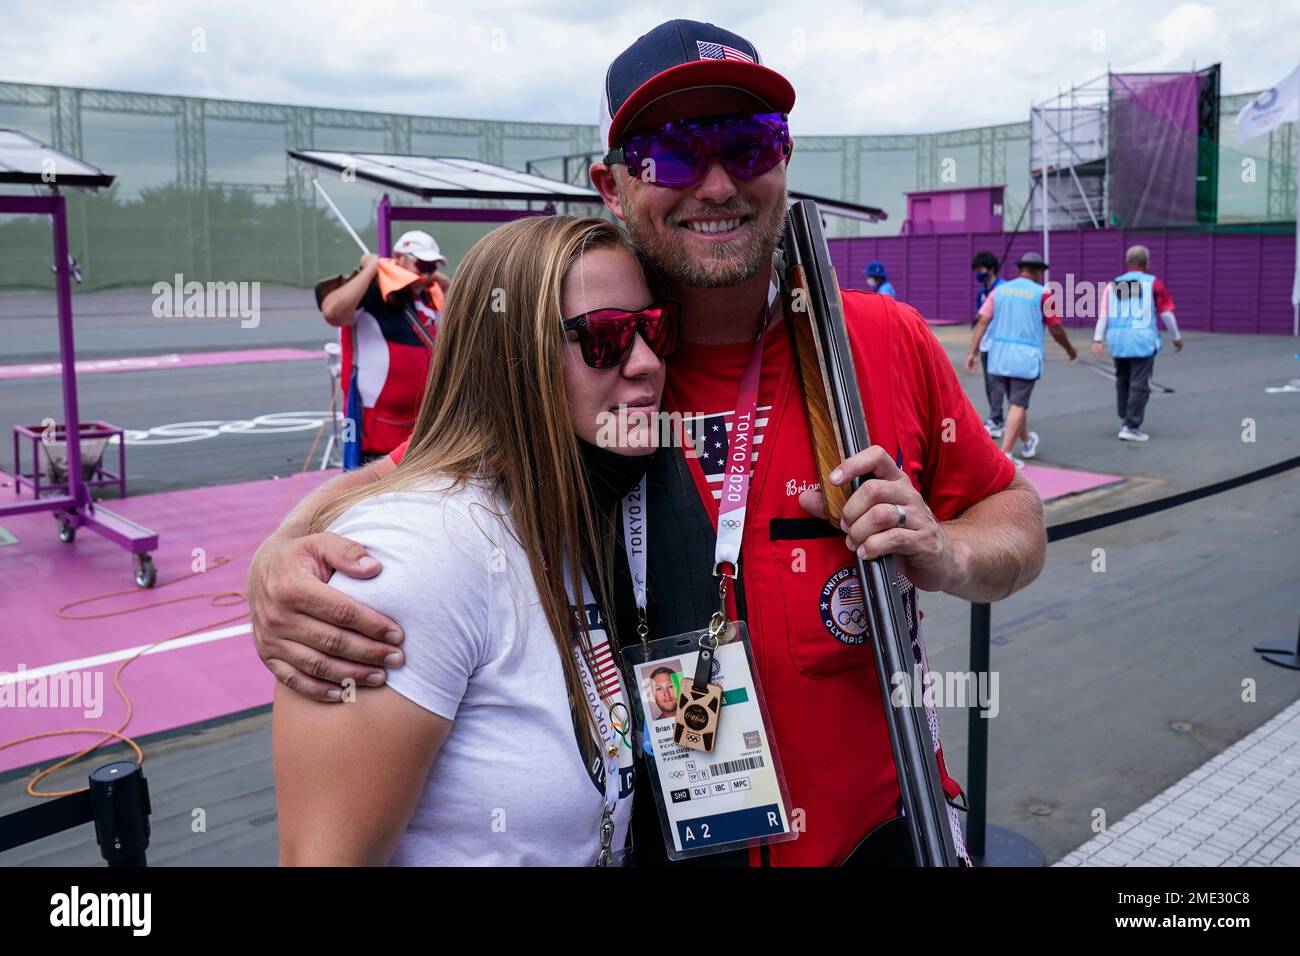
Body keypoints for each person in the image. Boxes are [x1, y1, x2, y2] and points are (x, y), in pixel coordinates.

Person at [251, 19, 1049, 868]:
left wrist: (949, 554)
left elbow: (1016, 514)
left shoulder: (881, 339)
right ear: (611, 182)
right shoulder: (588, 371)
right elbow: (431, 472)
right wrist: (278, 553)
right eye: (671, 153)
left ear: (783, 161)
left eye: (748, 145)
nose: (716, 185)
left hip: (885, 842)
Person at [274, 216, 677, 865]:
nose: (649, 363)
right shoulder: (408, 558)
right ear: (513, 360)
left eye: (654, 329)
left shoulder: (565, 511)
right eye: (606, 337)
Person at [316, 230, 450, 464]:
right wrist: (370, 268)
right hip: (377, 435)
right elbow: (332, 312)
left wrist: (445, 284)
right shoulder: (373, 290)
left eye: (432, 267)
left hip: (421, 432)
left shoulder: (430, 295)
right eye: (421, 264)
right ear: (399, 258)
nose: (427, 274)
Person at [965, 252, 1077, 467]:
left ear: (1020, 270)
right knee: (1018, 404)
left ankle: (1026, 441)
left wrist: (973, 352)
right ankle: (1005, 454)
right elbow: (1055, 328)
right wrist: (1069, 349)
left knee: (1016, 403)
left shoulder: (999, 291)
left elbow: (982, 322)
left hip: (999, 357)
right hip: (1025, 358)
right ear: (1037, 272)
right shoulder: (1043, 294)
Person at [1091, 244, 1183, 442]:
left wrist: (1097, 338)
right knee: (1140, 383)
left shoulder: (1114, 285)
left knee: (1123, 380)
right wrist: (1176, 337)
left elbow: (1104, 314)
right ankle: (1131, 425)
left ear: (1127, 262)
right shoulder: (1153, 284)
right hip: (1141, 341)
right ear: (1147, 263)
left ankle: (1125, 417)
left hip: (1118, 341)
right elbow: (1166, 314)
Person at [971, 250, 1006, 437]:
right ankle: (996, 417)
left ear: (991, 269)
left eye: (981, 269)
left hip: (999, 343)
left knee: (997, 383)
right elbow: (981, 316)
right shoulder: (982, 292)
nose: (978, 273)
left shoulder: (1002, 289)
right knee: (989, 383)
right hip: (986, 343)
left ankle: (997, 419)